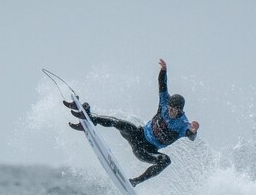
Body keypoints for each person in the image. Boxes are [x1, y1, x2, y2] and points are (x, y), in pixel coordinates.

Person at [65, 58, 199, 186]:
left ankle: (135, 182)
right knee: (120, 123)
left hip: (147, 150)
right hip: (138, 134)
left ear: (180, 110)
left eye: (174, 110)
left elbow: (190, 135)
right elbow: (162, 84)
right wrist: (164, 70)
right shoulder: (165, 102)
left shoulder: (183, 124)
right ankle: (90, 120)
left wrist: (193, 131)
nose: (171, 111)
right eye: (170, 108)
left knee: (165, 161)